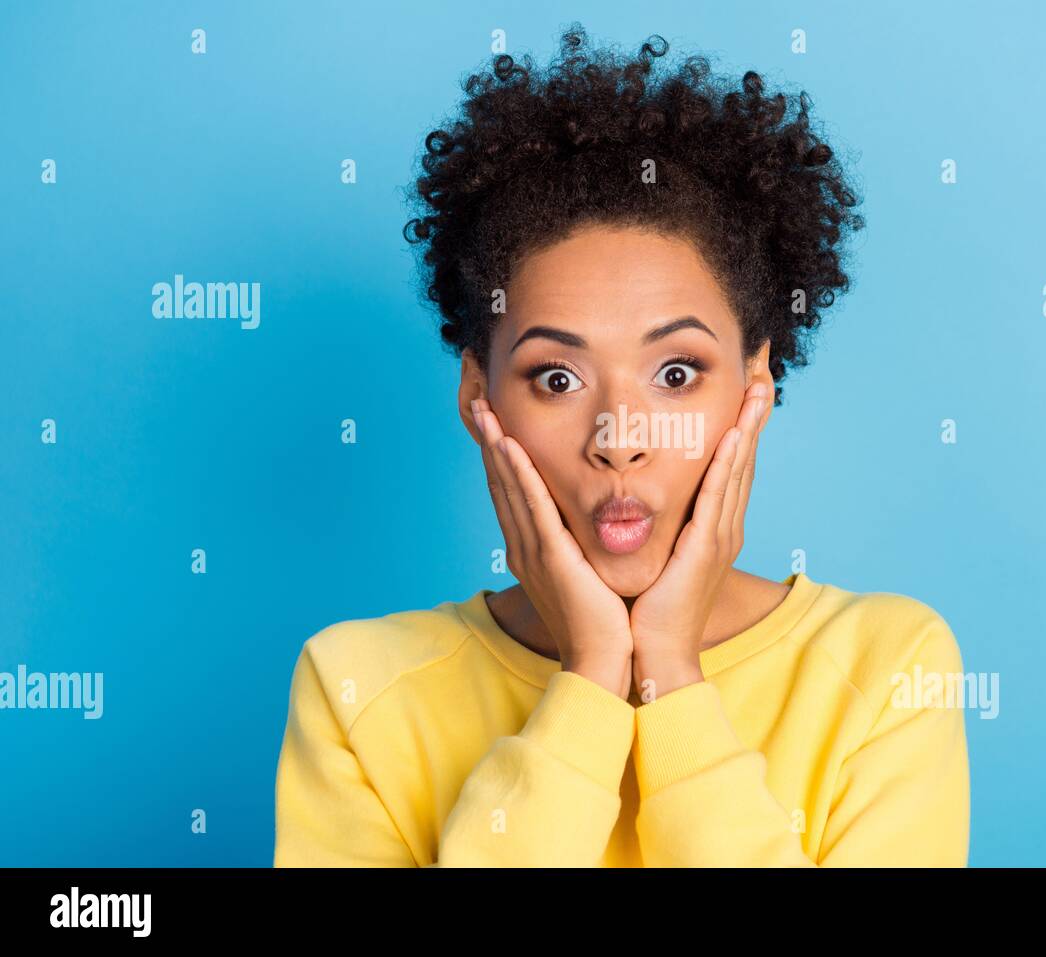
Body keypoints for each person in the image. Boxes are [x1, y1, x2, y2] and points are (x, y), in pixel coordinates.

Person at [273, 23, 969, 867]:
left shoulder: (888, 666)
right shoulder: (356, 687)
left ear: (757, 384)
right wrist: (592, 673)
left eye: (676, 372)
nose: (620, 438)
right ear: (477, 396)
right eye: (557, 378)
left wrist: (670, 673)